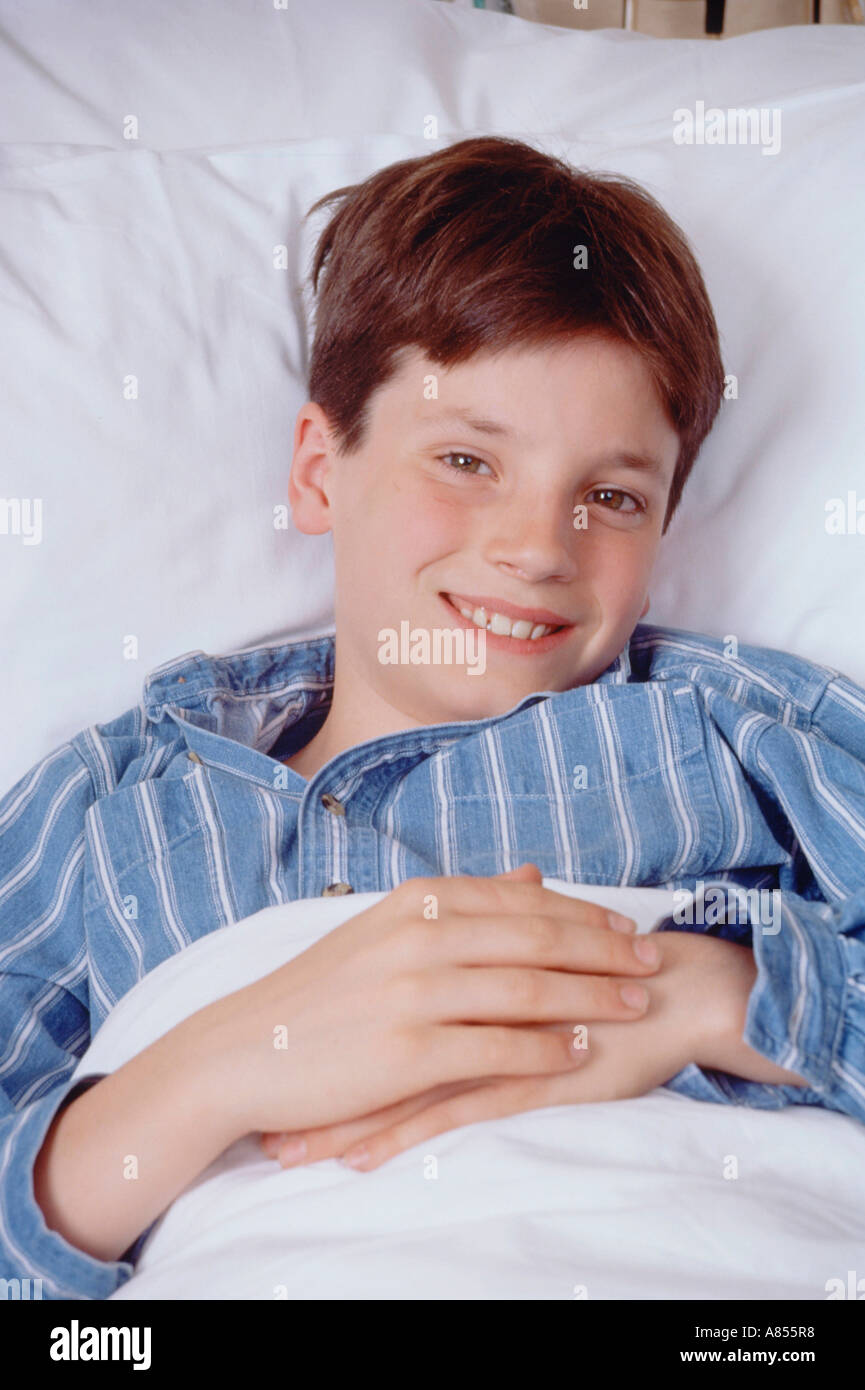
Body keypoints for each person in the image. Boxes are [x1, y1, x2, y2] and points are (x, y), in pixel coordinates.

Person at [2, 137, 864, 1301]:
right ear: (319, 469)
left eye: (611, 497)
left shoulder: (737, 730)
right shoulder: (121, 810)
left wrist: (713, 994)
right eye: (465, 458)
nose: (534, 547)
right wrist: (212, 1069)